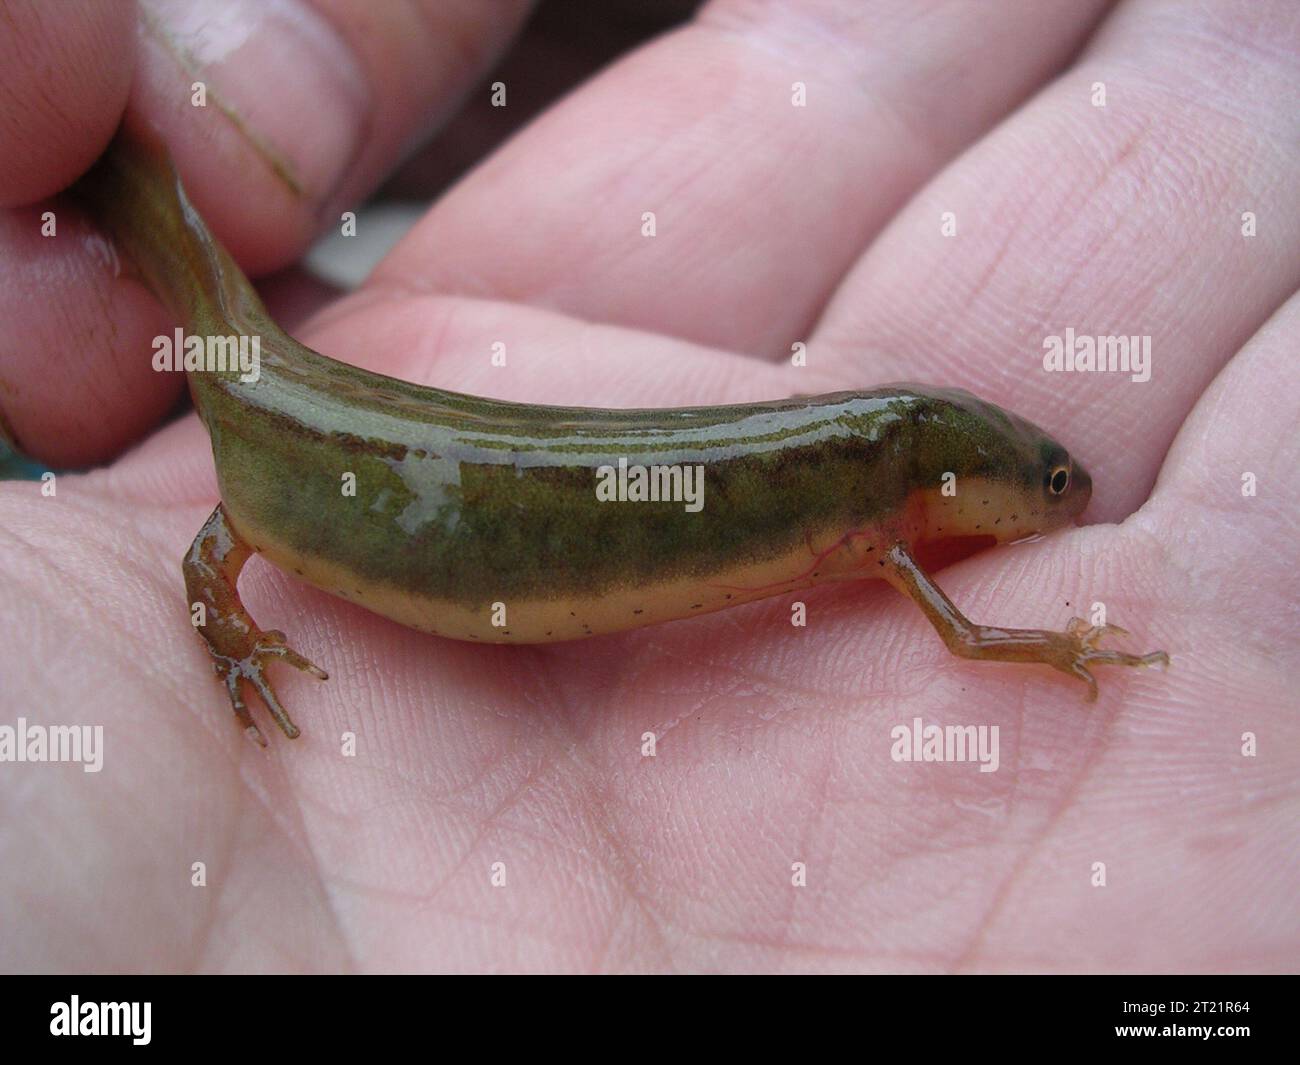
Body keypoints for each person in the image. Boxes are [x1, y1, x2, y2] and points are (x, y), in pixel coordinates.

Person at [0, 0, 1295, 973]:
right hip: (302, 450)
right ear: (966, 477)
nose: (1064, 505)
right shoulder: (879, 510)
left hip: (298, 443)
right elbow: (966, 639)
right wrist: (1063, 648)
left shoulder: (880, 509)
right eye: (1051, 484)